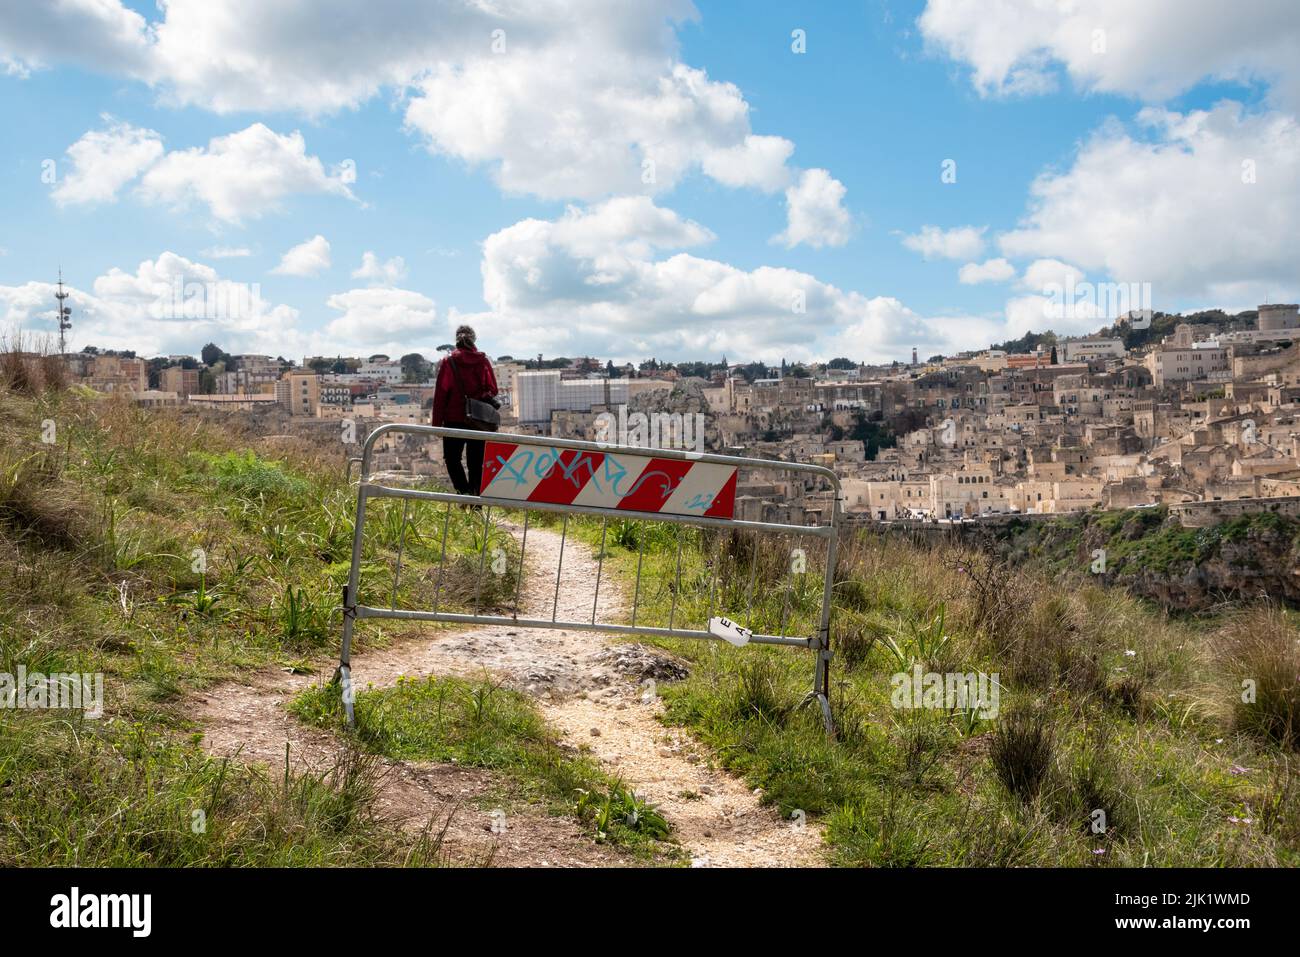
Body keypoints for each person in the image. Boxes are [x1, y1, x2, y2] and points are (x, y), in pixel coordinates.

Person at [431, 325, 499, 496]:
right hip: (478, 419)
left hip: (453, 419)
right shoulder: (482, 361)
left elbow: (440, 394)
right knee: (476, 463)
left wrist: (436, 424)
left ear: (456, 341)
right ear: (474, 340)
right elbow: (493, 389)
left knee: (452, 459)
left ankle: (464, 494)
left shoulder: (448, 362)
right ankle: (476, 503)